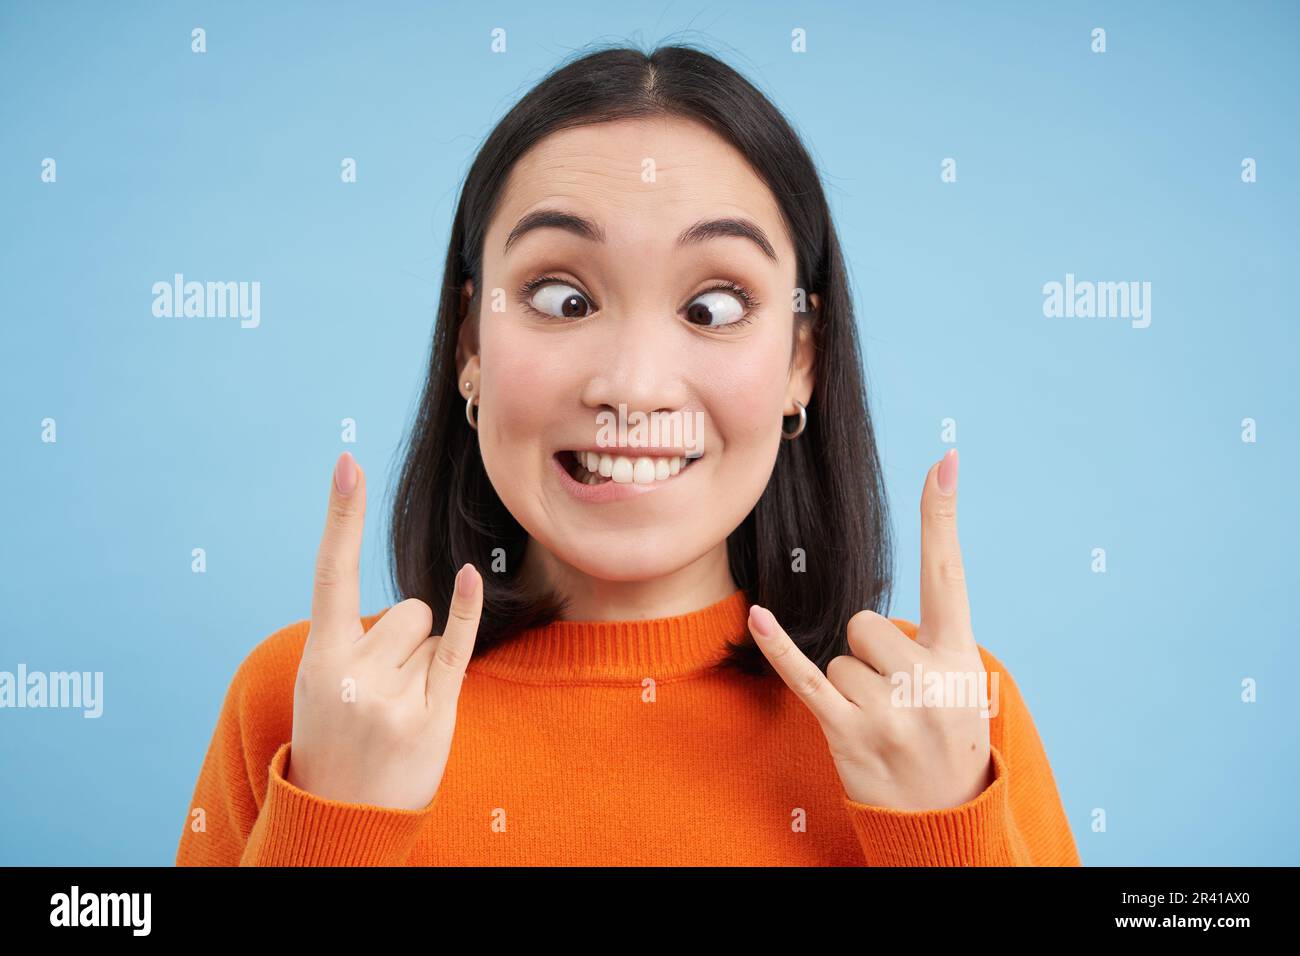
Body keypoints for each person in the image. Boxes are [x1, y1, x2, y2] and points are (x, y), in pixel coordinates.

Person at [175, 43, 1080, 866]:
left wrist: (945, 839)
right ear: (469, 346)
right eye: (563, 298)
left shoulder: (952, 717)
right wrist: (333, 829)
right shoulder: (304, 703)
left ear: (802, 360)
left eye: (714, 307)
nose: (634, 384)